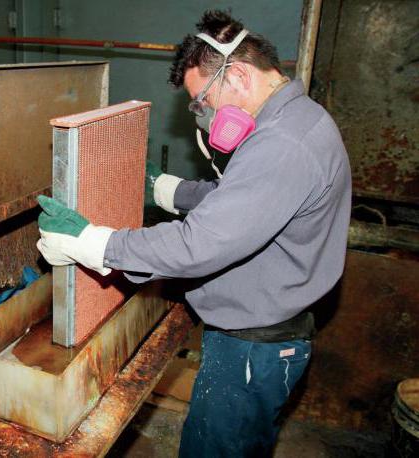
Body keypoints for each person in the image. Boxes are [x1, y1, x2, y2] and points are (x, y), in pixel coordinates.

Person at [36, 9, 351, 458]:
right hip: (260, 336)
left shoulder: (283, 144)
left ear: (238, 75)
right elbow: (239, 201)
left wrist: (94, 243)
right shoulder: (294, 122)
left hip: (250, 348)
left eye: (202, 101)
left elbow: (200, 243)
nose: (203, 117)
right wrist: (169, 190)